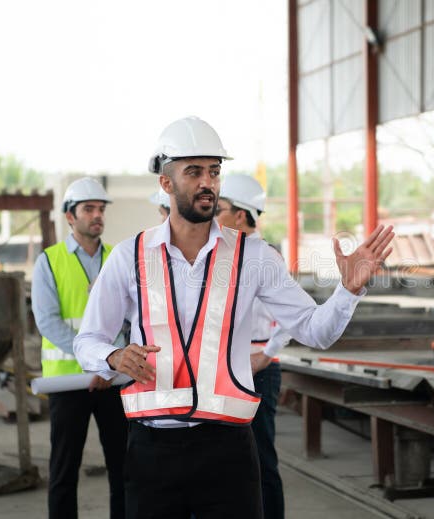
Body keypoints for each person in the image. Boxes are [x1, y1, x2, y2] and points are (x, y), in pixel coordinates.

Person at [74, 116, 394, 519]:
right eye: (194, 172)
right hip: (152, 452)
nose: (207, 182)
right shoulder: (129, 256)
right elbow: (87, 341)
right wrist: (114, 356)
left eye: (214, 171)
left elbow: (316, 332)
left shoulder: (254, 257)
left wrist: (347, 290)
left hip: (228, 453)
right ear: (166, 183)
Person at [31, 177, 127, 519]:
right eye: (89, 209)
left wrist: (108, 365)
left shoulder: (118, 257)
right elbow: (48, 322)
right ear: (70, 216)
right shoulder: (49, 261)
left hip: (112, 381)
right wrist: (100, 359)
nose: (97, 215)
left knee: (124, 468)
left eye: (100, 209)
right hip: (68, 383)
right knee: (64, 471)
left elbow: (131, 320)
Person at [216, 173, 290, 519]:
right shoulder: (223, 255)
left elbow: (292, 316)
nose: (214, 216)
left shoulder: (266, 258)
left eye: (220, 209)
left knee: (261, 460)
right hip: (226, 369)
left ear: (241, 215)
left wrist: (268, 354)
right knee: (228, 461)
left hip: (257, 369)